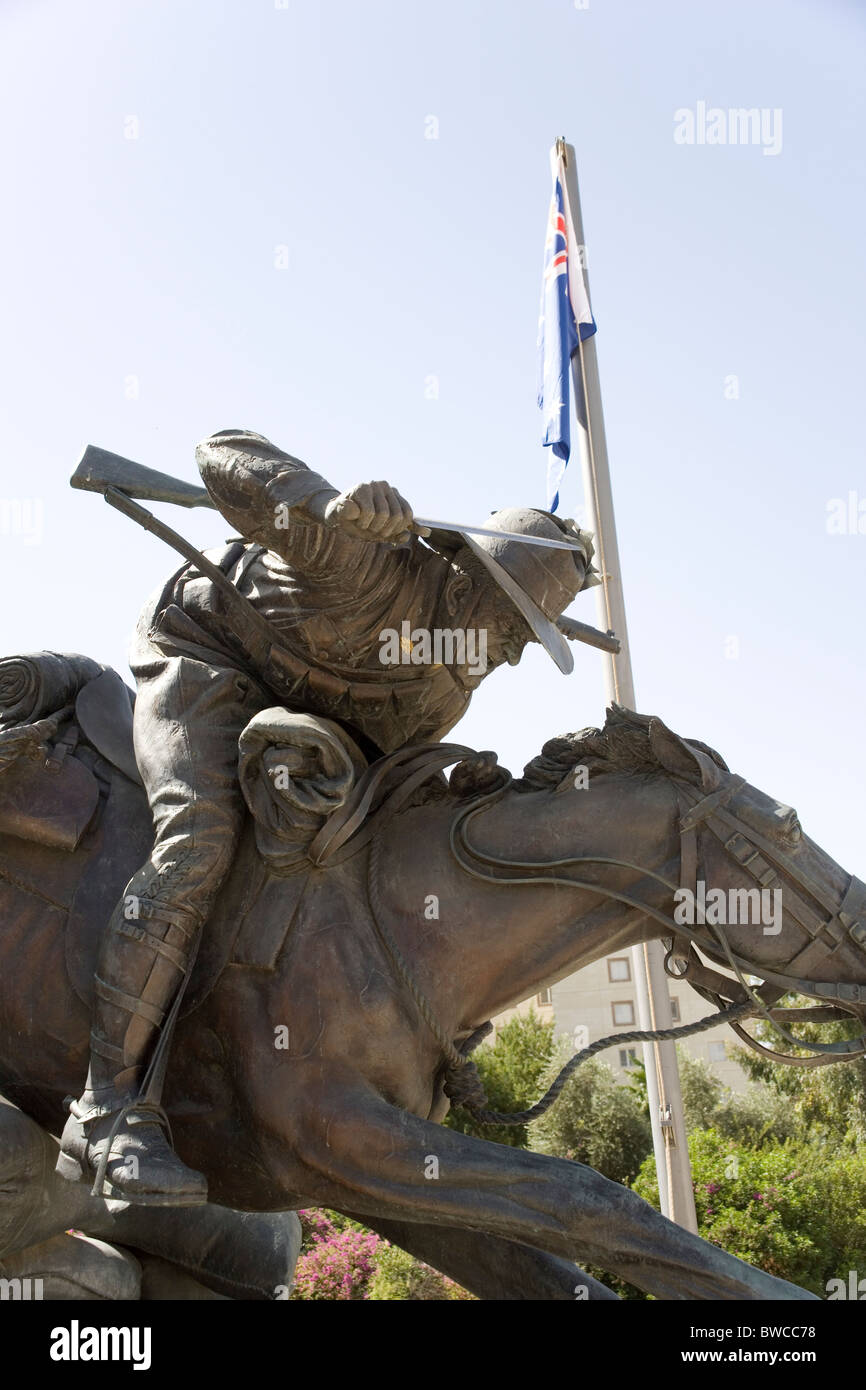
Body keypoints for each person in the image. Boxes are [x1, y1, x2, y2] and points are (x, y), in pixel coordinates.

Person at [57, 428, 597, 1204]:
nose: (510, 656)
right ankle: (104, 1110)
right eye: (511, 627)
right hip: (205, 657)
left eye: (524, 640)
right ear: (462, 587)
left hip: (286, 716)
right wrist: (326, 506)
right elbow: (222, 452)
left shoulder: (445, 689)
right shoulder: (359, 564)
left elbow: (376, 785)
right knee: (198, 844)